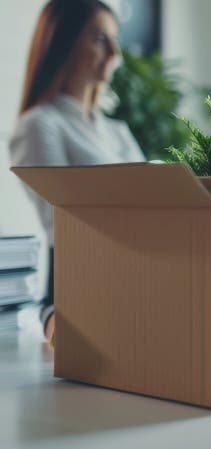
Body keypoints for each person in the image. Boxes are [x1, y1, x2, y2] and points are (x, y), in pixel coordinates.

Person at [9, 0, 145, 344]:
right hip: (75, 291)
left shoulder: (117, 131)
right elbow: (61, 222)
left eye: (115, 39)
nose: (115, 53)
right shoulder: (40, 125)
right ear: (63, 42)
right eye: (99, 39)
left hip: (139, 276)